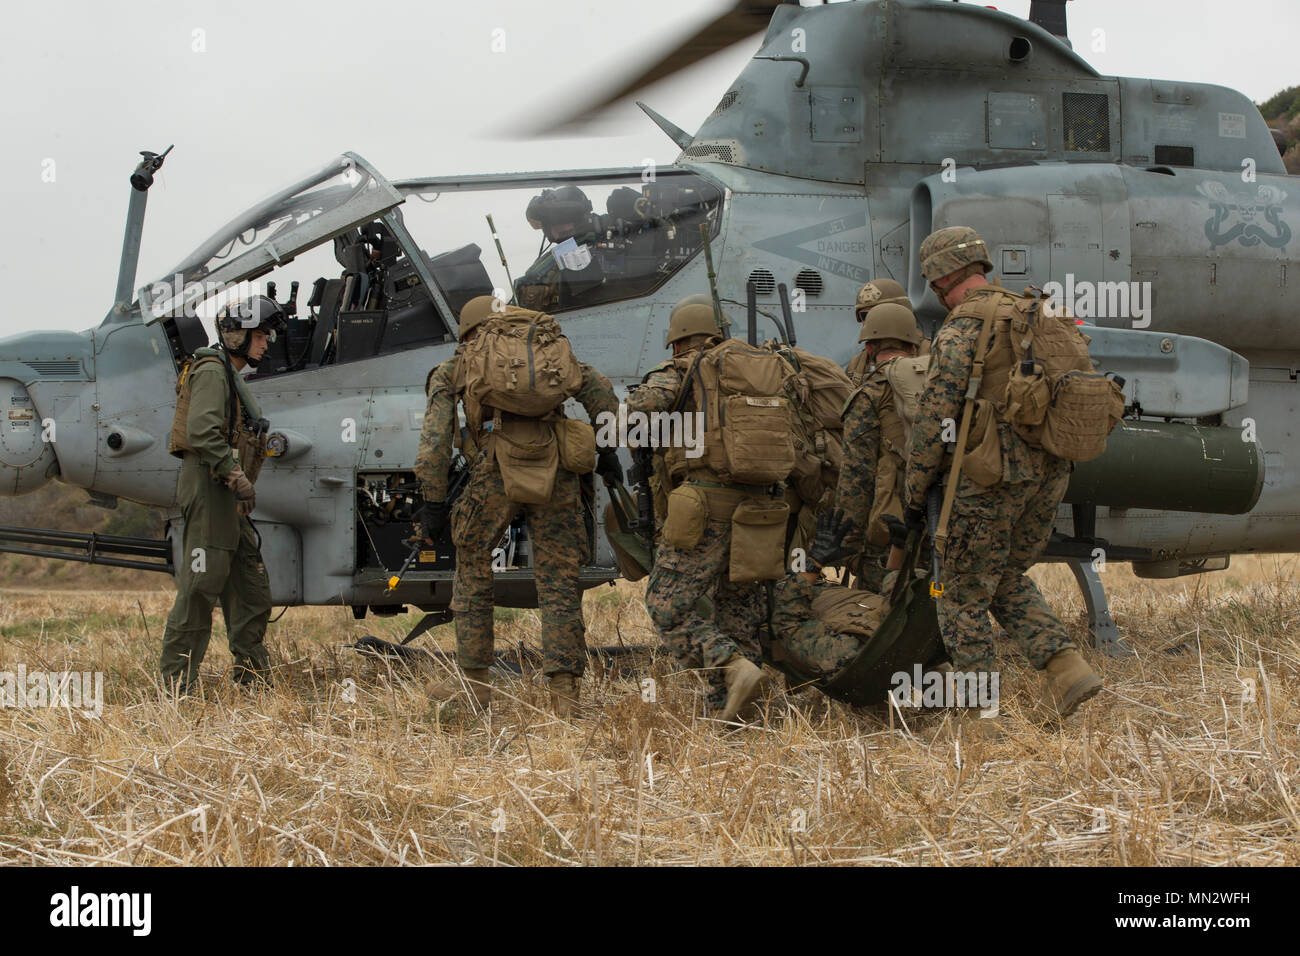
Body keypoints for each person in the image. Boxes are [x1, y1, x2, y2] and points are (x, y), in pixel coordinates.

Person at [903, 226, 1103, 720]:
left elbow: (933, 419)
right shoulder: (1038, 314)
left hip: (989, 479)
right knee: (1002, 572)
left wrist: (913, 492)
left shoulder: (962, 328)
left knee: (959, 591)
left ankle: (980, 719)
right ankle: (1066, 667)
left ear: (939, 276)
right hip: (1050, 475)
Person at [413, 295, 621, 716]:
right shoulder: (545, 352)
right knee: (559, 578)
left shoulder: (461, 362)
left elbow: (435, 440)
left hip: (493, 469)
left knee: (472, 565)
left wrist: (433, 501)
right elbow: (598, 389)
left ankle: (475, 688)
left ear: (466, 332)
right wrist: (609, 451)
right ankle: (565, 698)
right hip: (556, 465)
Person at [627, 298, 778, 722]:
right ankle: (734, 715)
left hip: (705, 504)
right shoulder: (760, 370)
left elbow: (638, 415)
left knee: (666, 603)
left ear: (677, 342)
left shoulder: (683, 369)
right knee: (737, 610)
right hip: (762, 508)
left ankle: (733, 667)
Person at [160, 296, 284, 693]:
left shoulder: (228, 374)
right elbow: (202, 433)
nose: (267, 343)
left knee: (249, 583)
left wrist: (239, 482)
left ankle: (252, 677)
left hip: (224, 489)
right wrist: (236, 477)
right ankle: (176, 688)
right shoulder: (213, 372)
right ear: (237, 336)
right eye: (260, 335)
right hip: (210, 484)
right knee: (201, 587)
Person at [835, 301, 924, 592]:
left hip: (887, 525)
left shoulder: (870, 395)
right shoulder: (938, 385)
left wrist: (848, 542)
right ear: (912, 346)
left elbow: (856, 479)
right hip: (937, 518)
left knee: (878, 607)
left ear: (870, 348)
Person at [514, 185, 606, 311]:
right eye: (551, 223)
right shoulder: (557, 256)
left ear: (579, 221)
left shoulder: (583, 256)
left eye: (561, 221)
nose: (555, 228)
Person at [845, 278, 912, 385]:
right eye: (865, 315)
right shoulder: (857, 364)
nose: (872, 320)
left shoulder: (930, 353)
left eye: (878, 313)